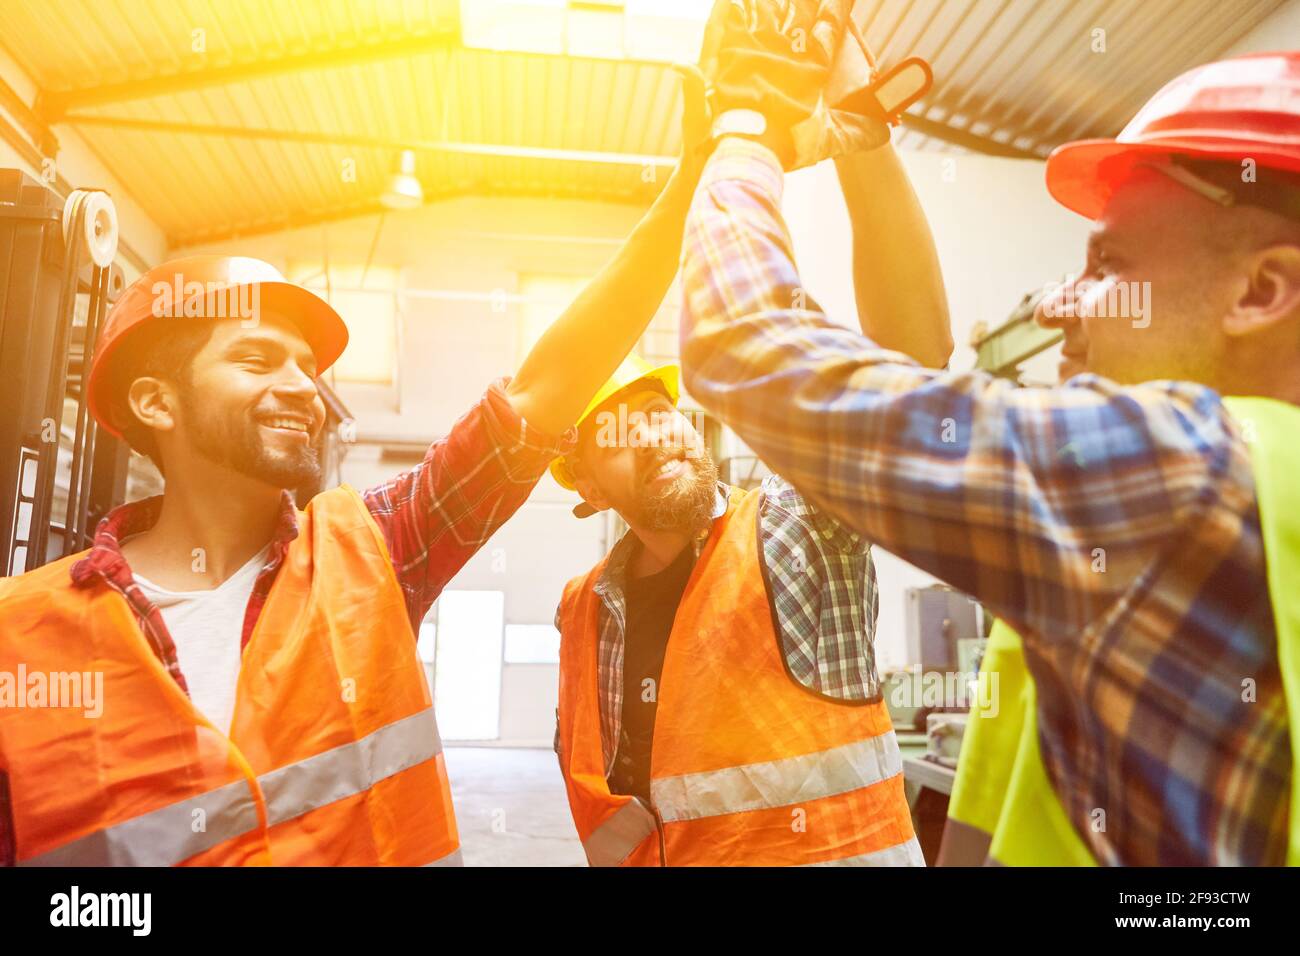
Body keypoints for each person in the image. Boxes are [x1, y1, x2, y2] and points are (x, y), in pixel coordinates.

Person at [0, 71, 712, 867]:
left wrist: (690, 183)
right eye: (258, 359)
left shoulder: (371, 552)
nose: (303, 388)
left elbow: (545, 391)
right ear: (157, 404)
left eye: (308, 367)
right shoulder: (23, 638)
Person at [679, 20, 1300, 867]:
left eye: (1108, 267)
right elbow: (911, 368)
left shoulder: (1183, 475)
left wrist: (744, 129)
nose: (1054, 307)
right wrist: (864, 134)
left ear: (1262, 291)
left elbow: (744, 345)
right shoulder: (1256, 486)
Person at [548, 5, 950, 861]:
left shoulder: (801, 526)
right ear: (581, 484)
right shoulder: (585, 615)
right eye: (621, 429)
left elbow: (912, 357)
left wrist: (864, 138)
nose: (658, 436)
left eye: (664, 413)